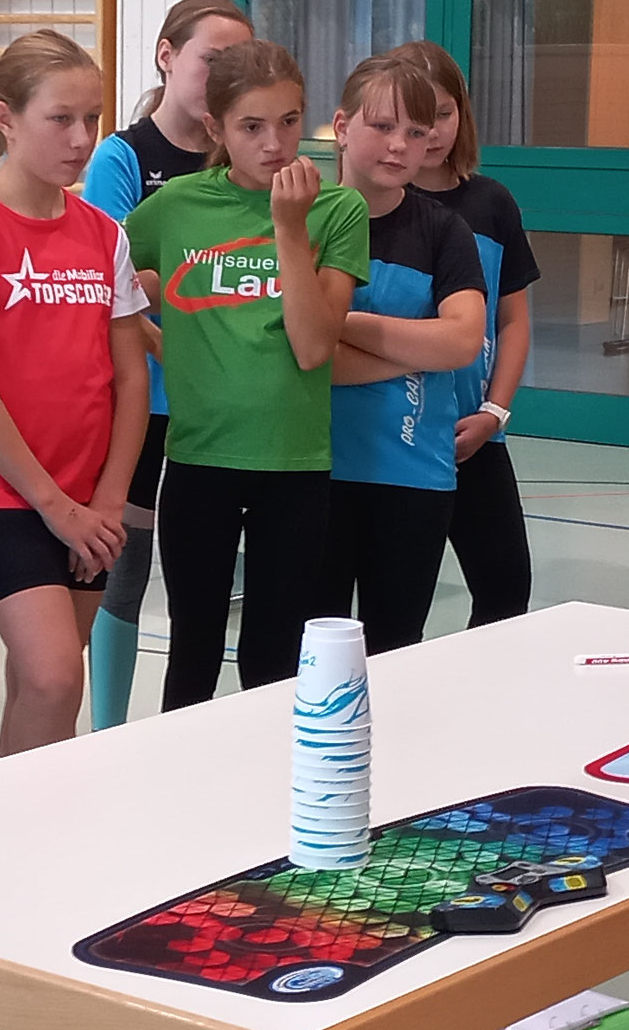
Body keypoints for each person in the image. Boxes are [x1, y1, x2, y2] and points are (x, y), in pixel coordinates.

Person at [0, 30, 148, 753]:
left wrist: (107, 503)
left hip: (90, 498)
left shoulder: (101, 233)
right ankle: (18, 841)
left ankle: (22, 831)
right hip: (7, 496)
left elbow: (130, 375)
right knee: (55, 678)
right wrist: (57, 509)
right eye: (61, 119)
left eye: (93, 118)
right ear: (5, 119)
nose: (82, 138)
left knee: (40, 681)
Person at [125, 38, 368, 703]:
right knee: (193, 648)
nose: (275, 144)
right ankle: (188, 799)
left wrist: (289, 231)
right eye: (252, 127)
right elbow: (104, 279)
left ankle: (267, 795)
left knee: (273, 655)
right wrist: (151, 338)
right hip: (200, 460)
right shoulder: (175, 206)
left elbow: (315, 346)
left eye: (290, 122)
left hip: (294, 468)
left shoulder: (337, 210)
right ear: (215, 129)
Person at [78, 0, 251, 724]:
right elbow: (116, 282)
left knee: (205, 584)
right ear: (167, 54)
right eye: (212, 58)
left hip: (222, 408)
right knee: (125, 573)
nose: (221, 76)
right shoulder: (124, 156)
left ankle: (203, 727)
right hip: (143, 404)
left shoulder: (243, 162)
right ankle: (109, 730)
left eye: (236, 64)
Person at [320, 50, 490, 653]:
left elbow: (463, 341)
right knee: (308, 656)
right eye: (382, 126)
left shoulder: (444, 231)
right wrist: (419, 349)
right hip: (312, 473)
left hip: (412, 475)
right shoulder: (298, 220)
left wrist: (345, 319)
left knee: (396, 648)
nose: (399, 146)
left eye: (416, 133)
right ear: (341, 128)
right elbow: (309, 354)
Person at [398, 42, 541, 627]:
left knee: (507, 590)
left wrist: (494, 413)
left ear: (464, 114)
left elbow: (514, 321)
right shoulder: (370, 205)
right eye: (415, 118)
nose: (430, 132)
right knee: (399, 607)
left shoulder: (491, 202)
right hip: (397, 441)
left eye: (443, 115)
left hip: (474, 435)